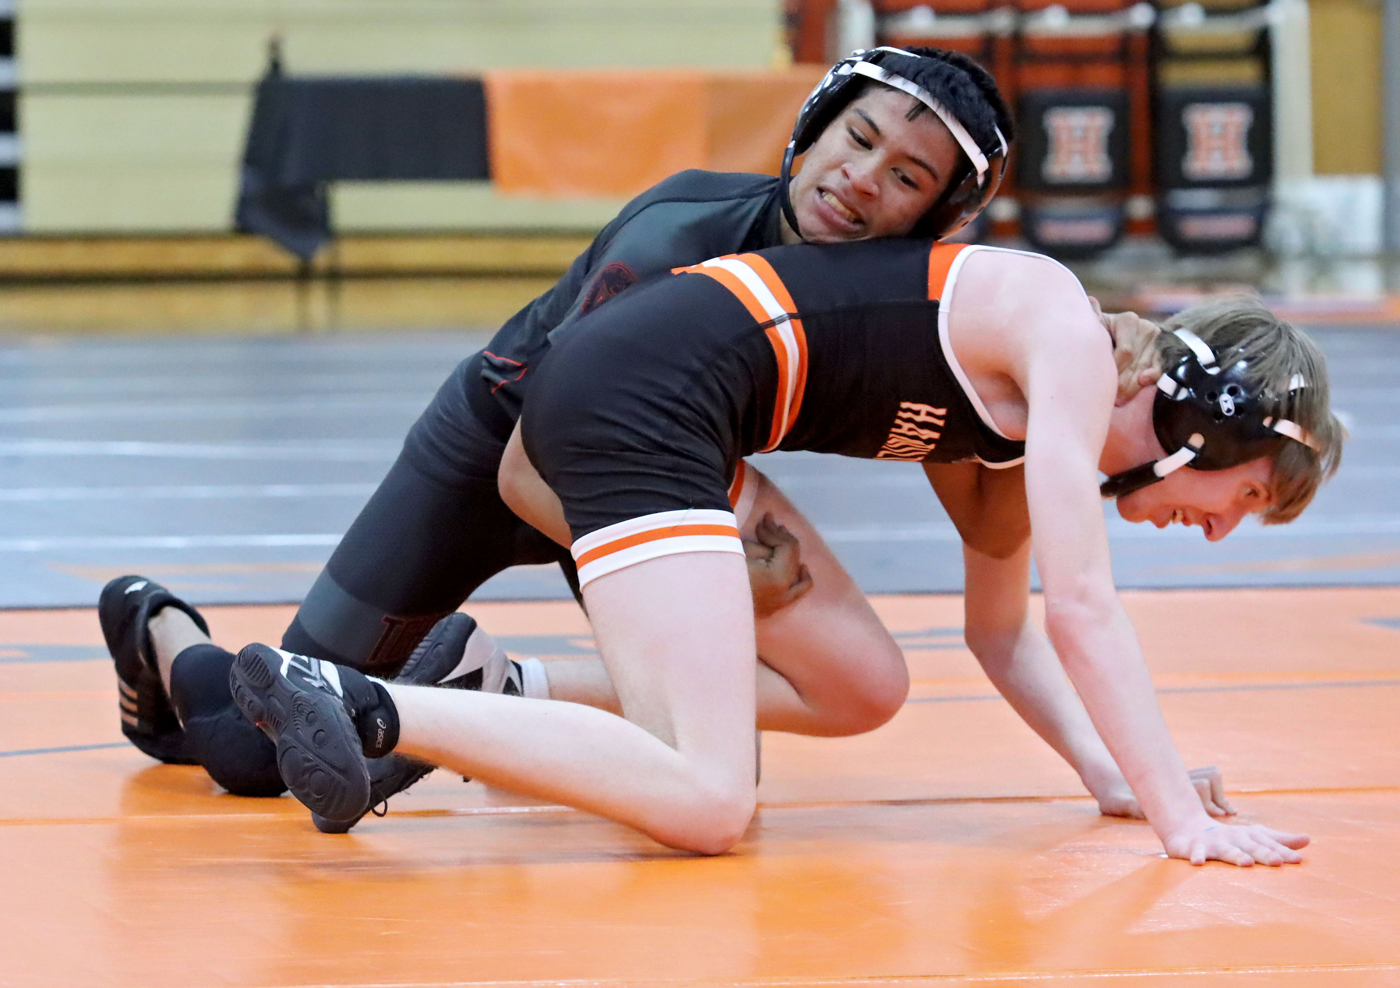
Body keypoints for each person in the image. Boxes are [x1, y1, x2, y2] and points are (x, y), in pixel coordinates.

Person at [100, 46, 1158, 818]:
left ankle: (483, 690)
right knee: (255, 753)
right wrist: (696, 584)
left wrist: (1075, 349)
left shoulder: (909, 297)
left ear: (935, 222)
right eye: (859, 138)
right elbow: (537, 462)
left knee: (763, 728)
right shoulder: (681, 231)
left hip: (656, 474)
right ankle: (162, 629)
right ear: (815, 124)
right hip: (497, 453)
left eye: (905, 179)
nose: (860, 180)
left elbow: (978, 431)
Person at [226, 235, 1341, 864]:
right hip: (645, 400)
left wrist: (1115, 777)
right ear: (1208, 427)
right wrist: (1179, 817)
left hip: (679, 407)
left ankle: (496, 689)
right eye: (1241, 495)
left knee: (862, 683)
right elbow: (1082, 604)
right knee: (709, 802)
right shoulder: (1065, 338)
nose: (1219, 527)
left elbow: (1000, 632)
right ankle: (366, 704)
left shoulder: (1030, 419)